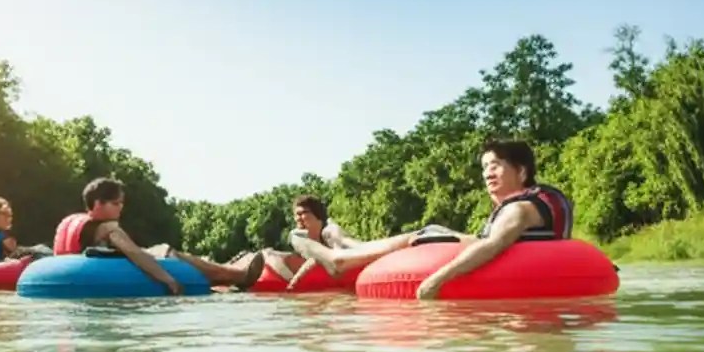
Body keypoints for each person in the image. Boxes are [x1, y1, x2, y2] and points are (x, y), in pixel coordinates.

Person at [291, 139, 573, 299]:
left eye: (495, 165)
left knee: (422, 234)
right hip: (454, 240)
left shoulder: (519, 210)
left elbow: (492, 246)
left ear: (522, 172)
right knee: (424, 233)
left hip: (463, 246)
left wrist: (437, 279)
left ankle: (339, 249)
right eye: (485, 167)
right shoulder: (531, 204)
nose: (487, 173)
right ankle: (334, 249)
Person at [53, 177, 265, 295]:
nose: (120, 209)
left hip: (64, 279)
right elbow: (134, 253)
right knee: (167, 251)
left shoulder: (70, 221)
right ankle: (237, 275)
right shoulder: (107, 227)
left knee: (163, 252)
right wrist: (168, 279)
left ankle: (223, 274)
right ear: (98, 204)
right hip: (100, 276)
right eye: (116, 203)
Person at [0, 197, 53, 263]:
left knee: (39, 248)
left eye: (9, 216)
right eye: (6, 216)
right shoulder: (3, 238)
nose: (9, 219)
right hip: (3, 264)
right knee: (41, 249)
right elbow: (16, 252)